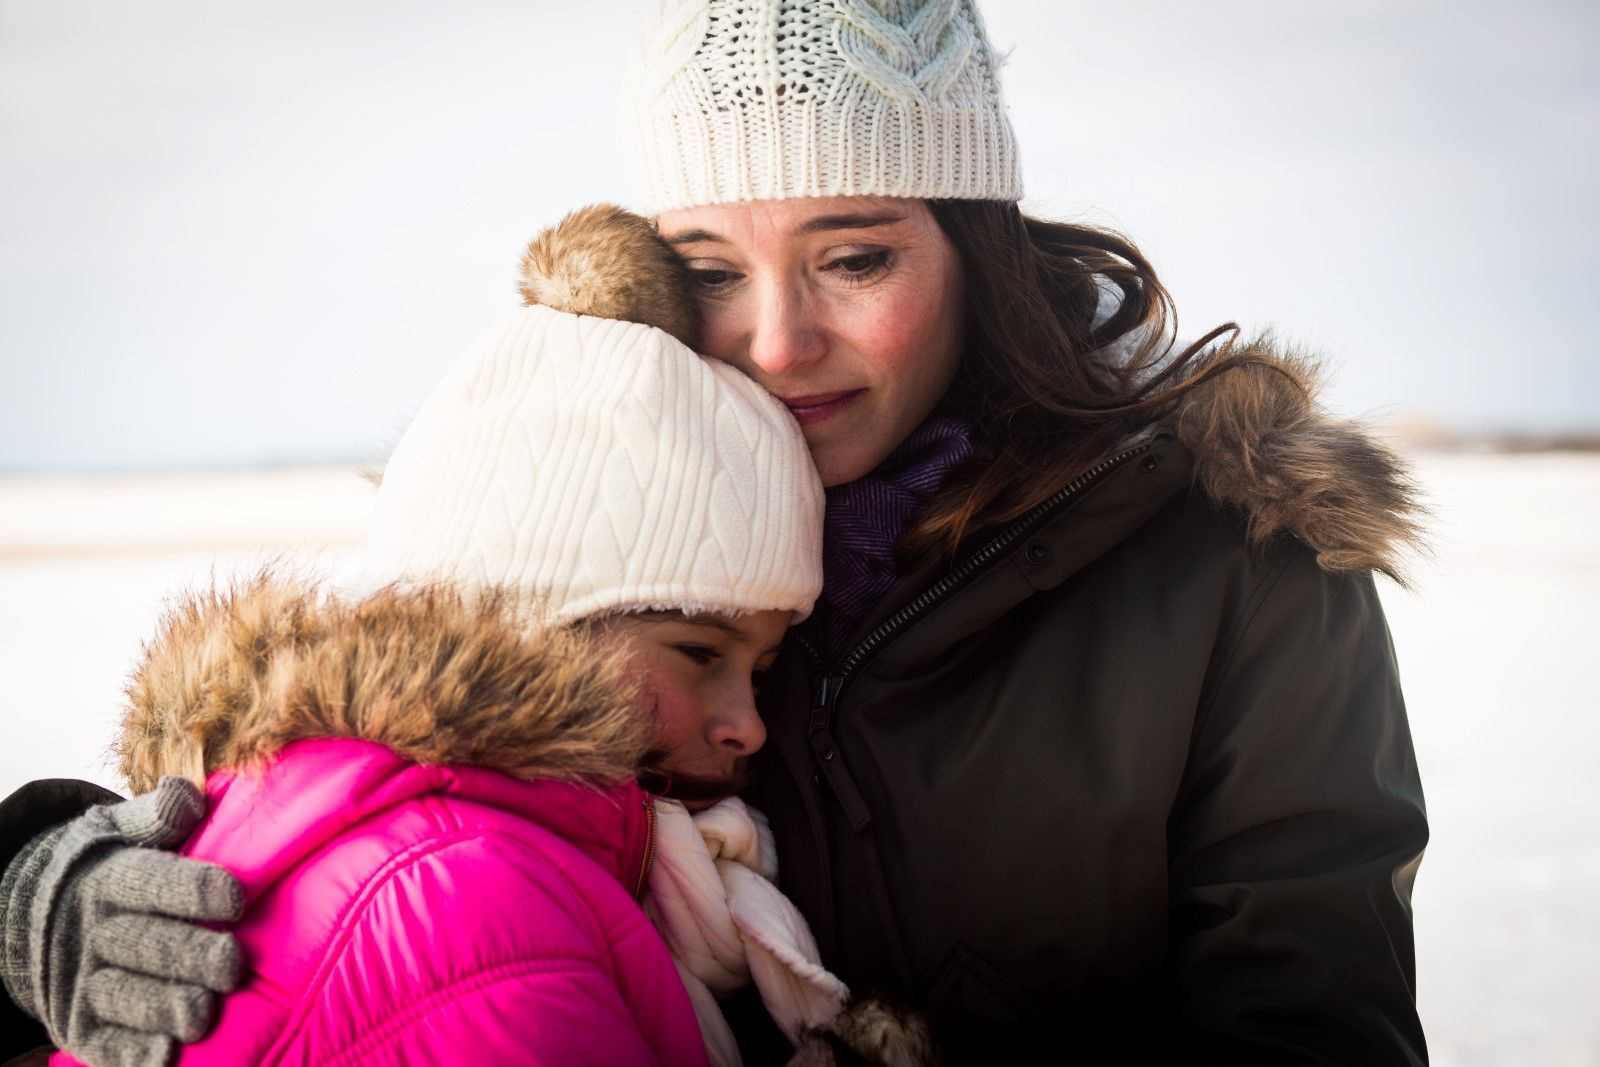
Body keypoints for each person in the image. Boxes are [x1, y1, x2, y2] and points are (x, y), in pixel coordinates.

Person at [2, 1, 1429, 1062]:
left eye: (855, 256)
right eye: (709, 268)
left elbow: (1311, 1025)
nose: (778, 340)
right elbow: (341, 777)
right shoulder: (584, 498)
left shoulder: (1227, 567)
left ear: (977, 250)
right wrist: (34, 895)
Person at [4, 208, 933, 1067]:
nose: (749, 724)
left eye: (761, 670)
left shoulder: (492, 833)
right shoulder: (468, 891)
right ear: (531, 623)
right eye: (700, 652)